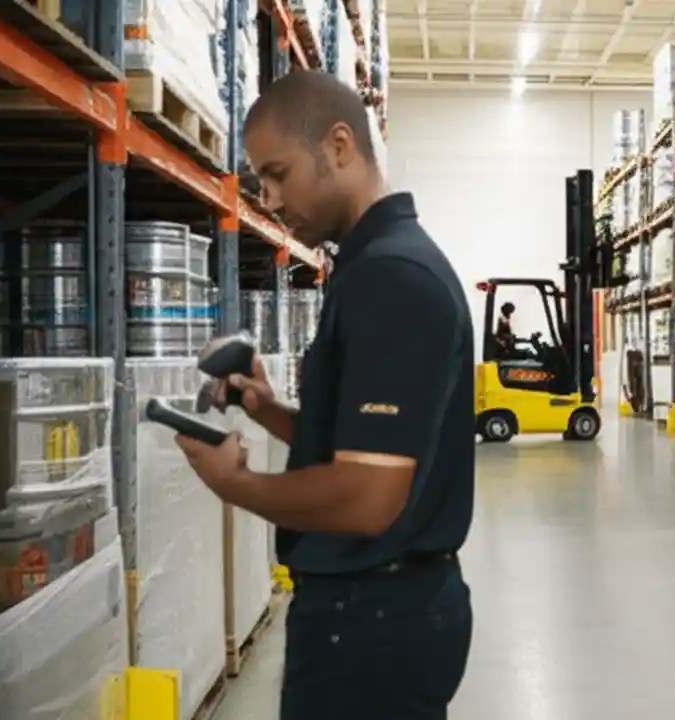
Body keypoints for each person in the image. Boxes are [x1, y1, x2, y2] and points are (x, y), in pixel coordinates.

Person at [173, 71, 474, 720]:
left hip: (372, 625)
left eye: (277, 173)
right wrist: (267, 409)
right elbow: (376, 444)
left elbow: (368, 499)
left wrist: (237, 484)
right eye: (259, 180)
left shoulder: (392, 279)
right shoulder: (372, 266)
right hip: (377, 614)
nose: (270, 198)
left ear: (338, 145)